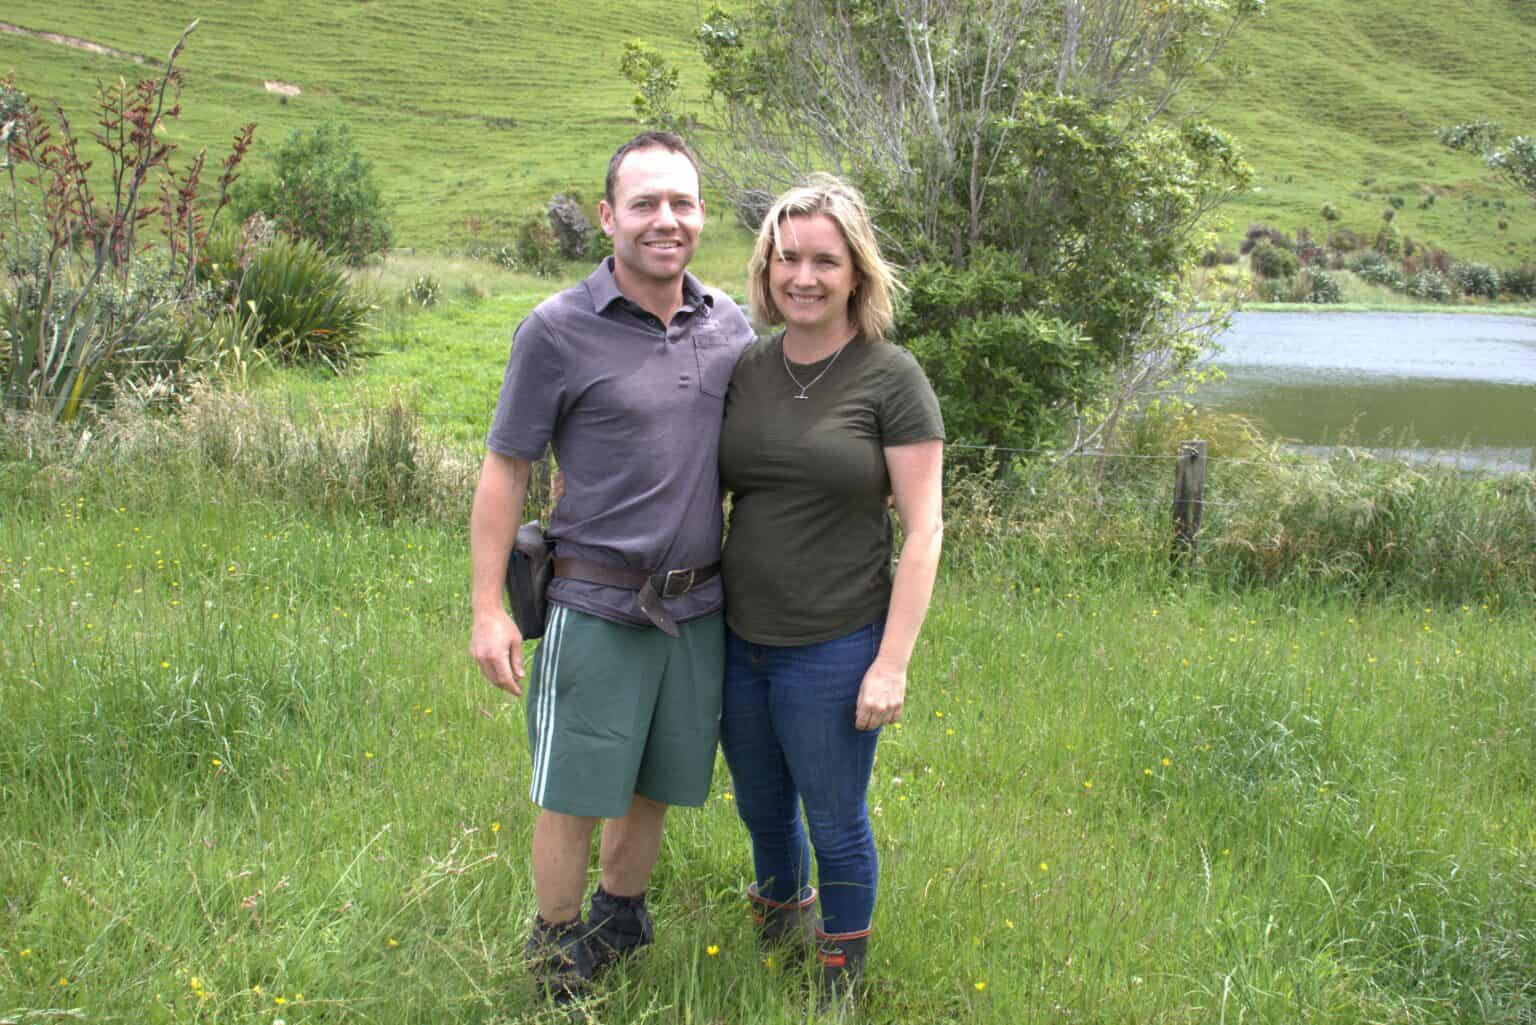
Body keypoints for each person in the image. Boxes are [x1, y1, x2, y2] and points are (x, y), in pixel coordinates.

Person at [468, 131, 753, 1004]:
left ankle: (620, 918)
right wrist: (487, 608)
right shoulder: (556, 330)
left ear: (701, 214)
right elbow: (506, 469)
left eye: (683, 202)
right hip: (595, 603)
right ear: (607, 216)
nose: (667, 220)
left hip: (697, 608)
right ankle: (557, 950)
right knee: (575, 790)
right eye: (645, 203)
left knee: (655, 781)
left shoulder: (730, 324)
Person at [717, 176, 945, 1002]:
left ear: (857, 273)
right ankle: (779, 934)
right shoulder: (748, 367)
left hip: (837, 644)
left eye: (825, 261)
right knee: (761, 807)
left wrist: (892, 663)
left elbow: (925, 529)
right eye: (788, 259)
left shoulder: (891, 376)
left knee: (835, 819)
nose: (803, 277)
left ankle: (837, 984)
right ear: (766, 268)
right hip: (739, 638)